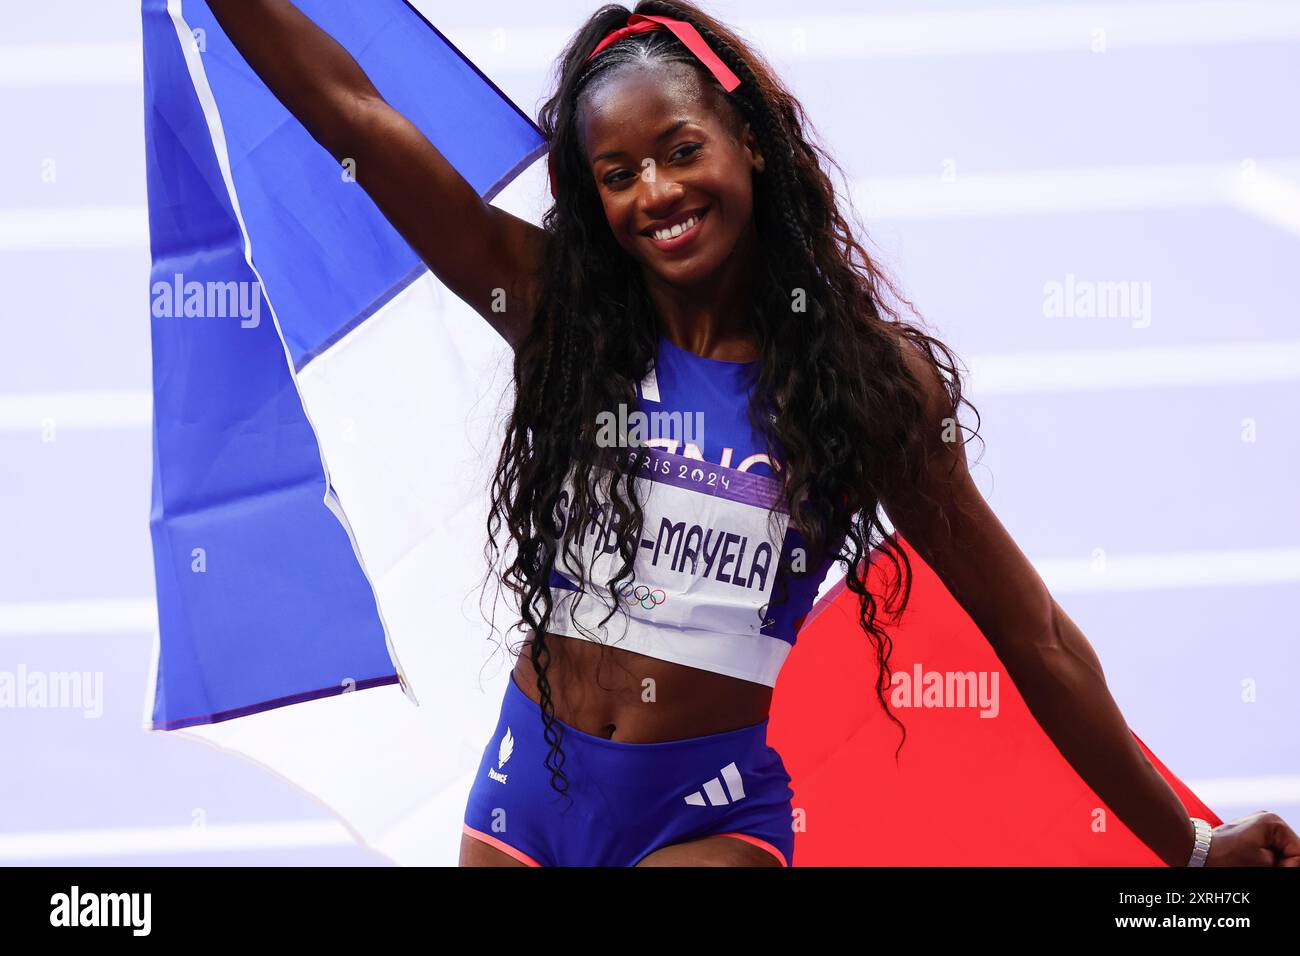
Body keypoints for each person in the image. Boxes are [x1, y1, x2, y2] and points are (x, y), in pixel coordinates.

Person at [206, 0, 1300, 868]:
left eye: (681, 150)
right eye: (618, 173)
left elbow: (1037, 639)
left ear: (752, 144)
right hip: (518, 808)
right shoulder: (549, 311)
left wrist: (1189, 846)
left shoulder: (867, 390)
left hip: (706, 821)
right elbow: (354, 113)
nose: (657, 191)